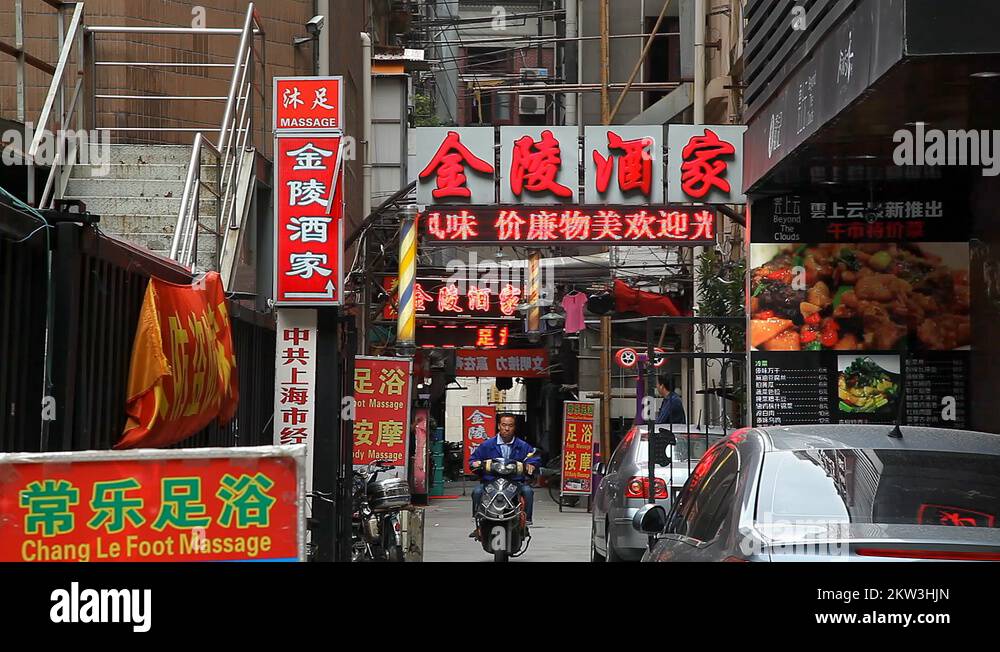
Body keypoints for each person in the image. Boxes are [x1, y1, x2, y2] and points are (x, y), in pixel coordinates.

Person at [469, 413, 540, 537]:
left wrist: (531, 464)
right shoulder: (487, 445)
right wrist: (475, 464)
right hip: (491, 482)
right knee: (477, 492)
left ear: (514, 427)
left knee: (528, 492)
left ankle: (526, 522)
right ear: (498, 426)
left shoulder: (522, 445)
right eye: (504, 425)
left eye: (510, 426)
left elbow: (533, 457)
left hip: (515, 482)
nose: (507, 428)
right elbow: (473, 460)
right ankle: (479, 523)